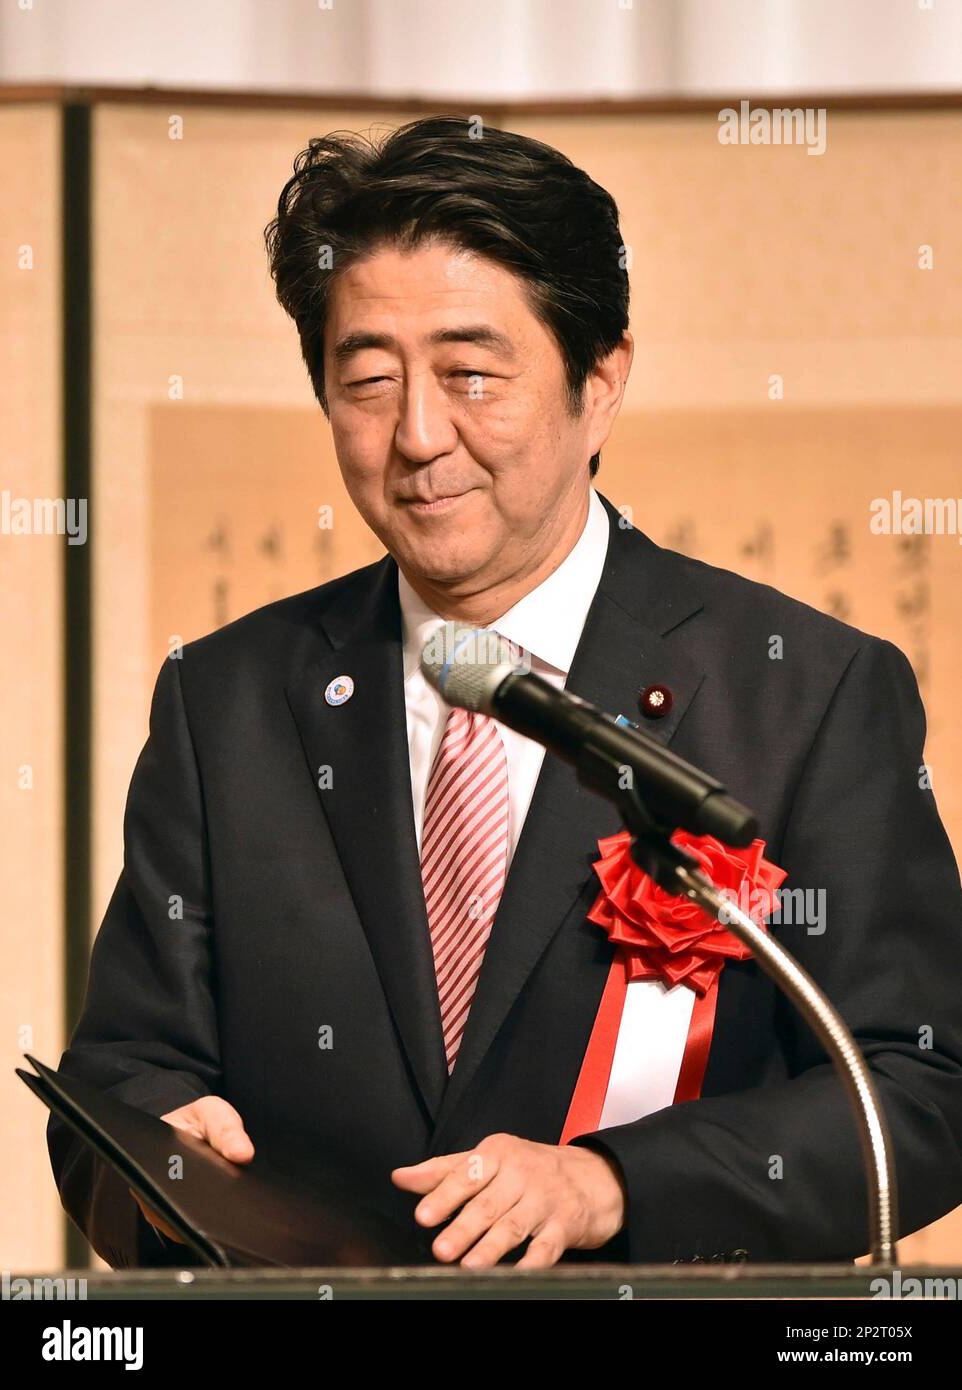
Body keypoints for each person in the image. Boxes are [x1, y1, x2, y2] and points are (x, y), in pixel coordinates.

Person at [49, 116, 962, 1270]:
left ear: (600, 380)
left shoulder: (803, 692)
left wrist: (609, 1183)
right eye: (368, 380)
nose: (419, 435)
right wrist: (160, 1155)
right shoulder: (227, 699)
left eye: (473, 375)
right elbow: (118, 1078)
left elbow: (921, 1086)